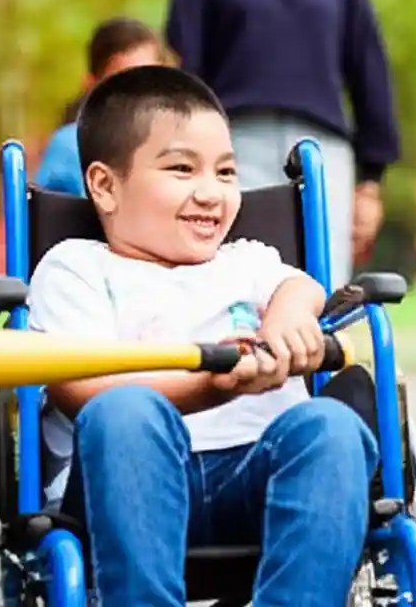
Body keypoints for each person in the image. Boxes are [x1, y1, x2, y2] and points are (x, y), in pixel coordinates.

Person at [27, 65, 378, 605]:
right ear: (105, 185)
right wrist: (216, 386)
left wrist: (287, 320)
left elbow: (301, 287)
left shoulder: (245, 261)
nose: (211, 193)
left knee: (332, 426)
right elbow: (77, 388)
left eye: (226, 172)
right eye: (182, 169)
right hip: (126, 485)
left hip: (255, 473)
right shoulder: (75, 268)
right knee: (124, 411)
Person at [165, 0, 400, 289]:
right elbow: (182, 63)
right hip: (233, 145)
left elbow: (368, 70)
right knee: (234, 278)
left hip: (321, 149)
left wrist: (371, 183)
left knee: (322, 285)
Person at [33, 17, 167, 196]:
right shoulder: (71, 148)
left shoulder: (177, 143)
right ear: (91, 85)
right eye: (121, 83)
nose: (139, 96)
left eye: (150, 80)